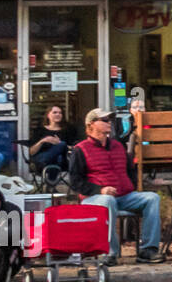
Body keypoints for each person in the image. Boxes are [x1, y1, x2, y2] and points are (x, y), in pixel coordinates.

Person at [67, 109, 164, 264]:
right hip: (94, 198)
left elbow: (130, 170)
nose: (109, 123)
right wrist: (100, 190)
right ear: (92, 124)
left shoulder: (118, 146)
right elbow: (75, 182)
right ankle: (110, 252)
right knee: (108, 201)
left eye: (110, 120)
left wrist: (129, 186)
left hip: (124, 196)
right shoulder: (80, 149)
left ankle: (148, 250)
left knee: (152, 198)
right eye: (105, 120)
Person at [27, 103, 78, 180]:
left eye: (60, 113)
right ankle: (51, 185)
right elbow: (31, 152)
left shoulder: (68, 130)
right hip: (42, 158)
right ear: (48, 115)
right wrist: (43, 141)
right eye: (55, 112)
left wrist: (60, 144)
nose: (58, 114)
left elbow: (74, 147)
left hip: (62, 161)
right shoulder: (40, 130)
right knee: (57, 158)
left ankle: (48, 182)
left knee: (61, 146)